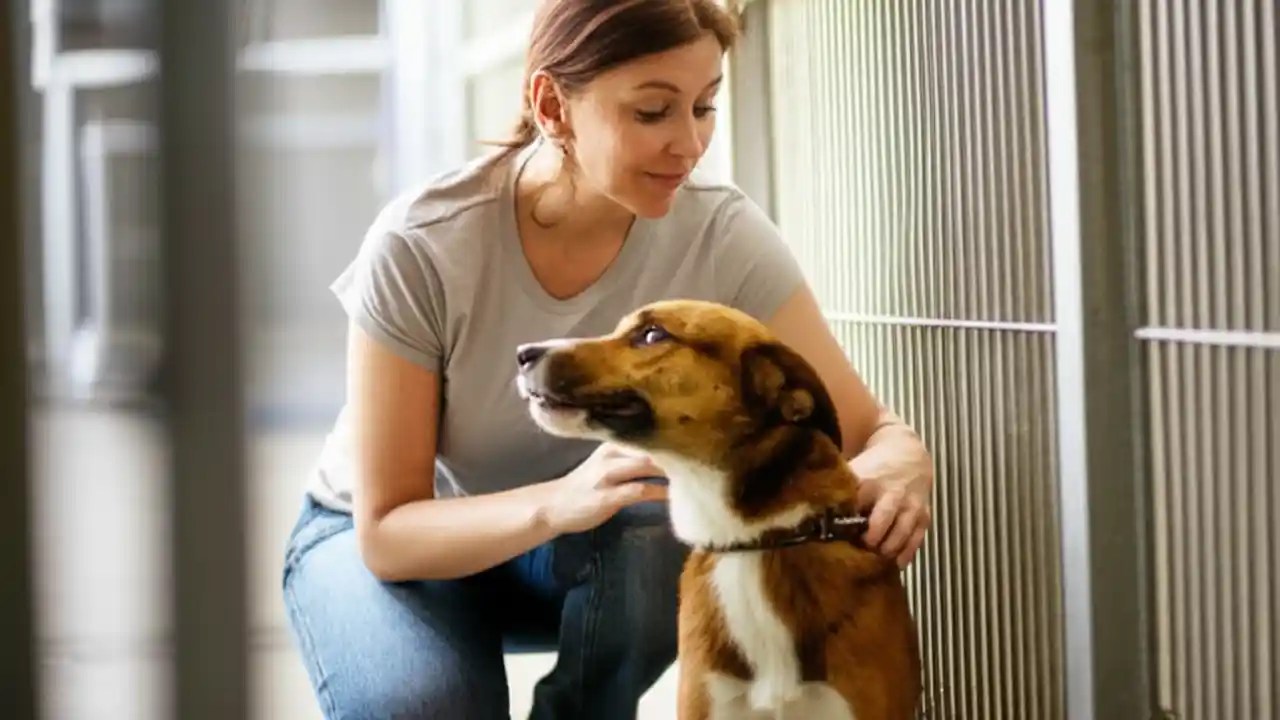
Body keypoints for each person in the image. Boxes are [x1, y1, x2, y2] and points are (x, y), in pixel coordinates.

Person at [280, 1, 935, 718]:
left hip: (580, 551)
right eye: (652, 112)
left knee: (653, 526)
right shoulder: (423, 243)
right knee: (424, 706)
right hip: (392, 545)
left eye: (705, 106)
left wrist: (903, 461)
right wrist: (557, 504)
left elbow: (865, 431)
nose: (689, 144)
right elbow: (387, 531)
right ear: (552, 105)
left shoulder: (721, 233)